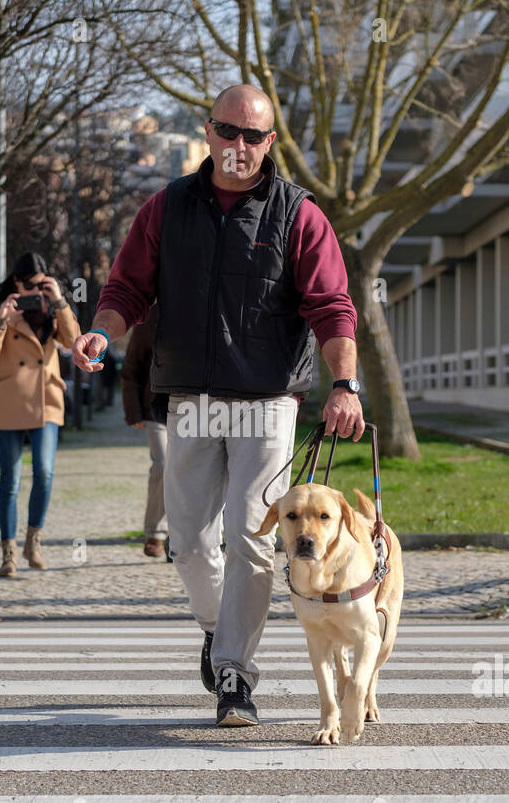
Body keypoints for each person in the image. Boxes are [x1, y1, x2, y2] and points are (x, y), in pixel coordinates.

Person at [73, 83, 362, 727]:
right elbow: (127, 287)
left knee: (253, 542)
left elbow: (332, 306)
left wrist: (344, 385)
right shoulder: (166, 208)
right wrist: (102, 329)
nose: (239, 146)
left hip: (267, 400)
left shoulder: (298, 214)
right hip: (191, 397)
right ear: (208, 132)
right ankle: (216, 630)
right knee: (190, 542)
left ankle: (235, 671)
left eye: (252, 136)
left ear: (270, 142)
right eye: (228, 132)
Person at [0, 251, 81, 578]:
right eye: (29, 285)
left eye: (41, 284)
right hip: (10, 399)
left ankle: (33, 541)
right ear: (15, 283)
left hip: (46, 399)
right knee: (10, 481)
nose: (34, 290)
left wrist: (60, 303)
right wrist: (1, 318)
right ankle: (8, 553)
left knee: (45, 471)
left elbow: (73, 341)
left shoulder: (53, 310)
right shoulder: (2, 312)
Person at [120, 308, 169, 559]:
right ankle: (155, 533)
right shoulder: (150, 319)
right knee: (163, 466)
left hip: (197, 410)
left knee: (193, 471)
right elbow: (132, 367)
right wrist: (134, 412)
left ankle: (182, 536)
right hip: (155, 410)